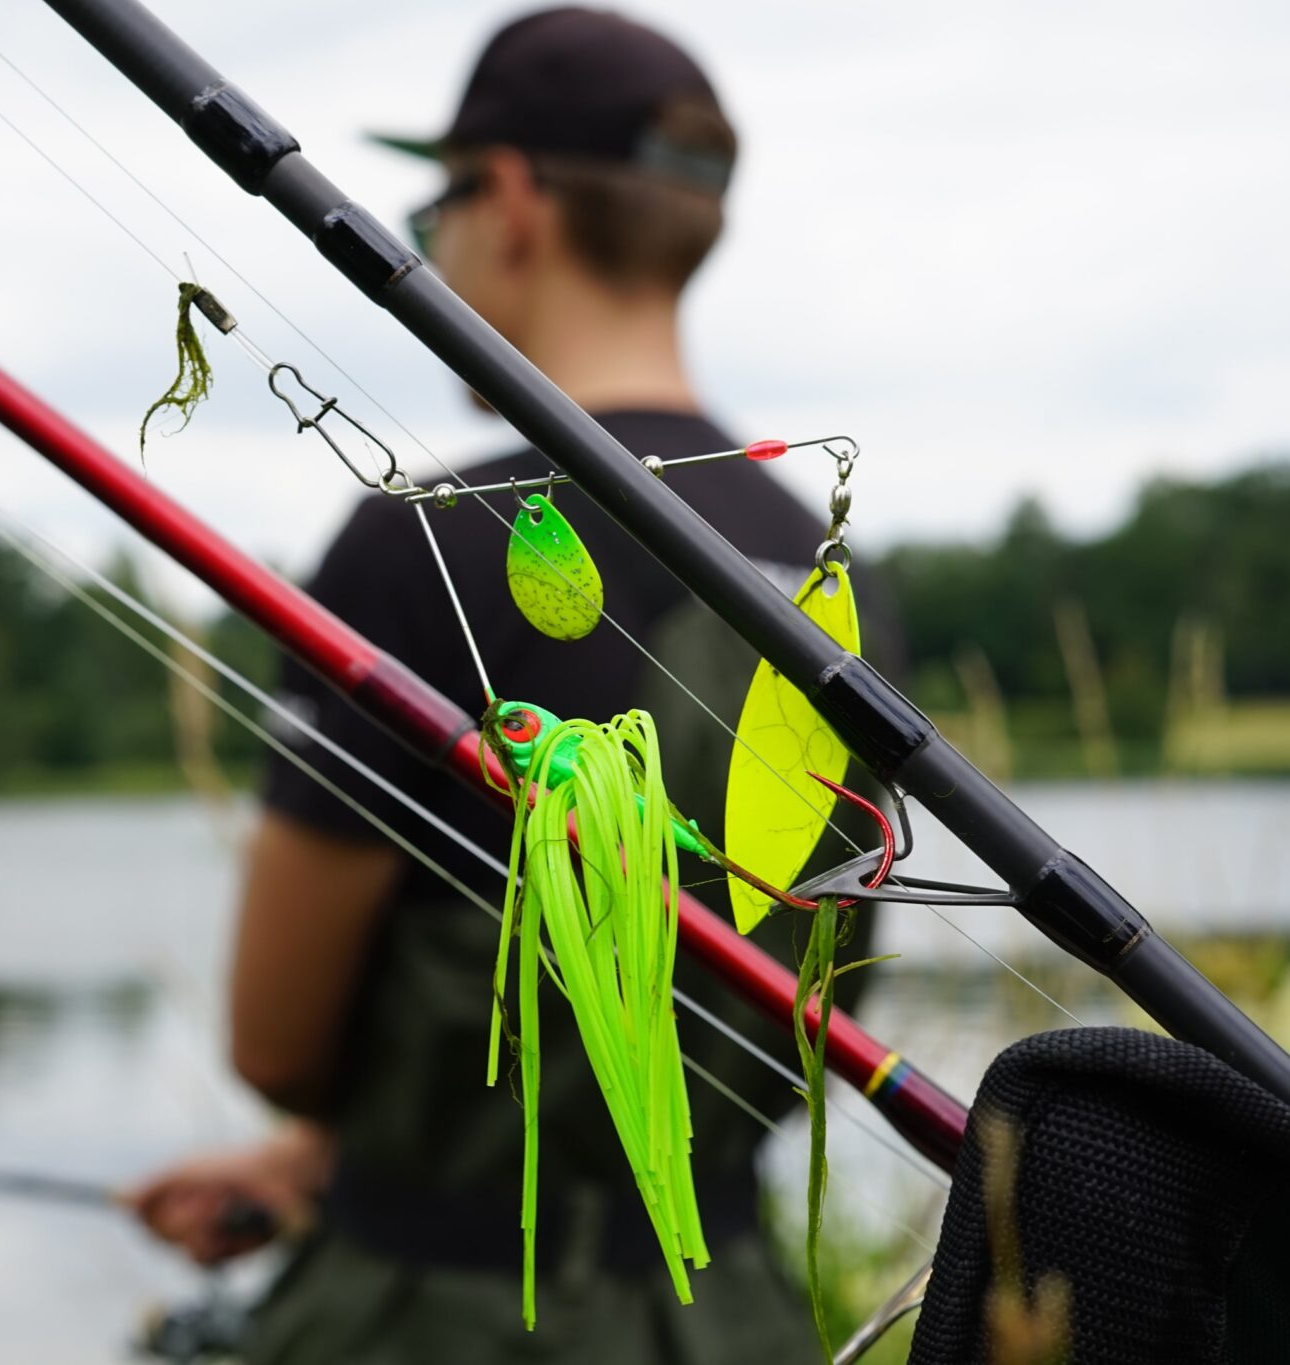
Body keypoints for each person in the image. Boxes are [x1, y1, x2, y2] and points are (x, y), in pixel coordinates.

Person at [131, 9, 898, 1361]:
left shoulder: (417, 544)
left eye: (440, 203)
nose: (435, 240)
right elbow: (818, 1000)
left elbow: (278, 1041)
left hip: (445, 1323)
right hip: (735, 1318)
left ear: (513, 196)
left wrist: (372, 1146)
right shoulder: (835, 577)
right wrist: (317, 1165)